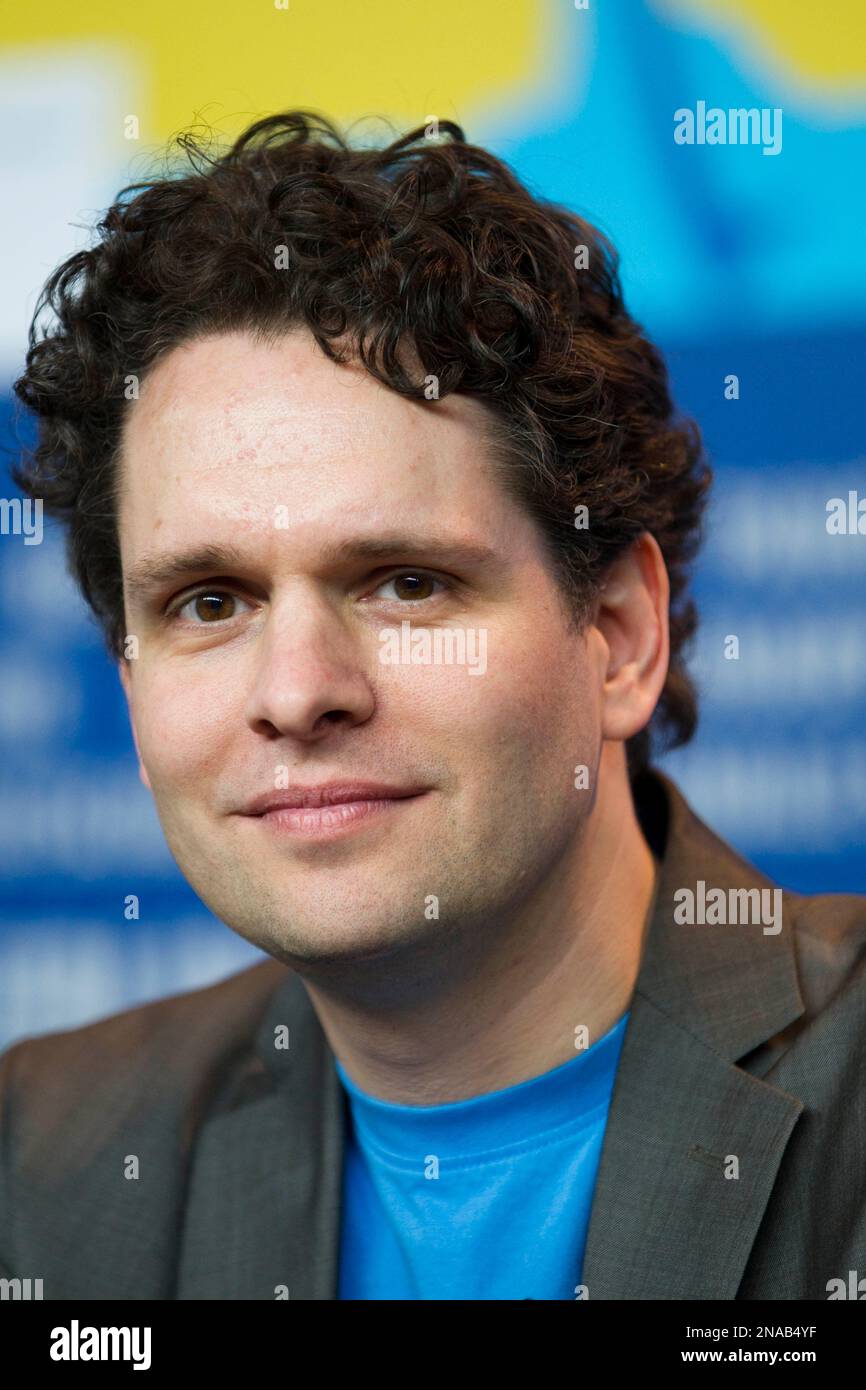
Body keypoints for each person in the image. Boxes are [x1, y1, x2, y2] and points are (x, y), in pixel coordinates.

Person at [2, 111, 864, 1301]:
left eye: (405, 582)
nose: (297, 693)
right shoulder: (44, 1159)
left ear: (617, 638)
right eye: (209, 602)